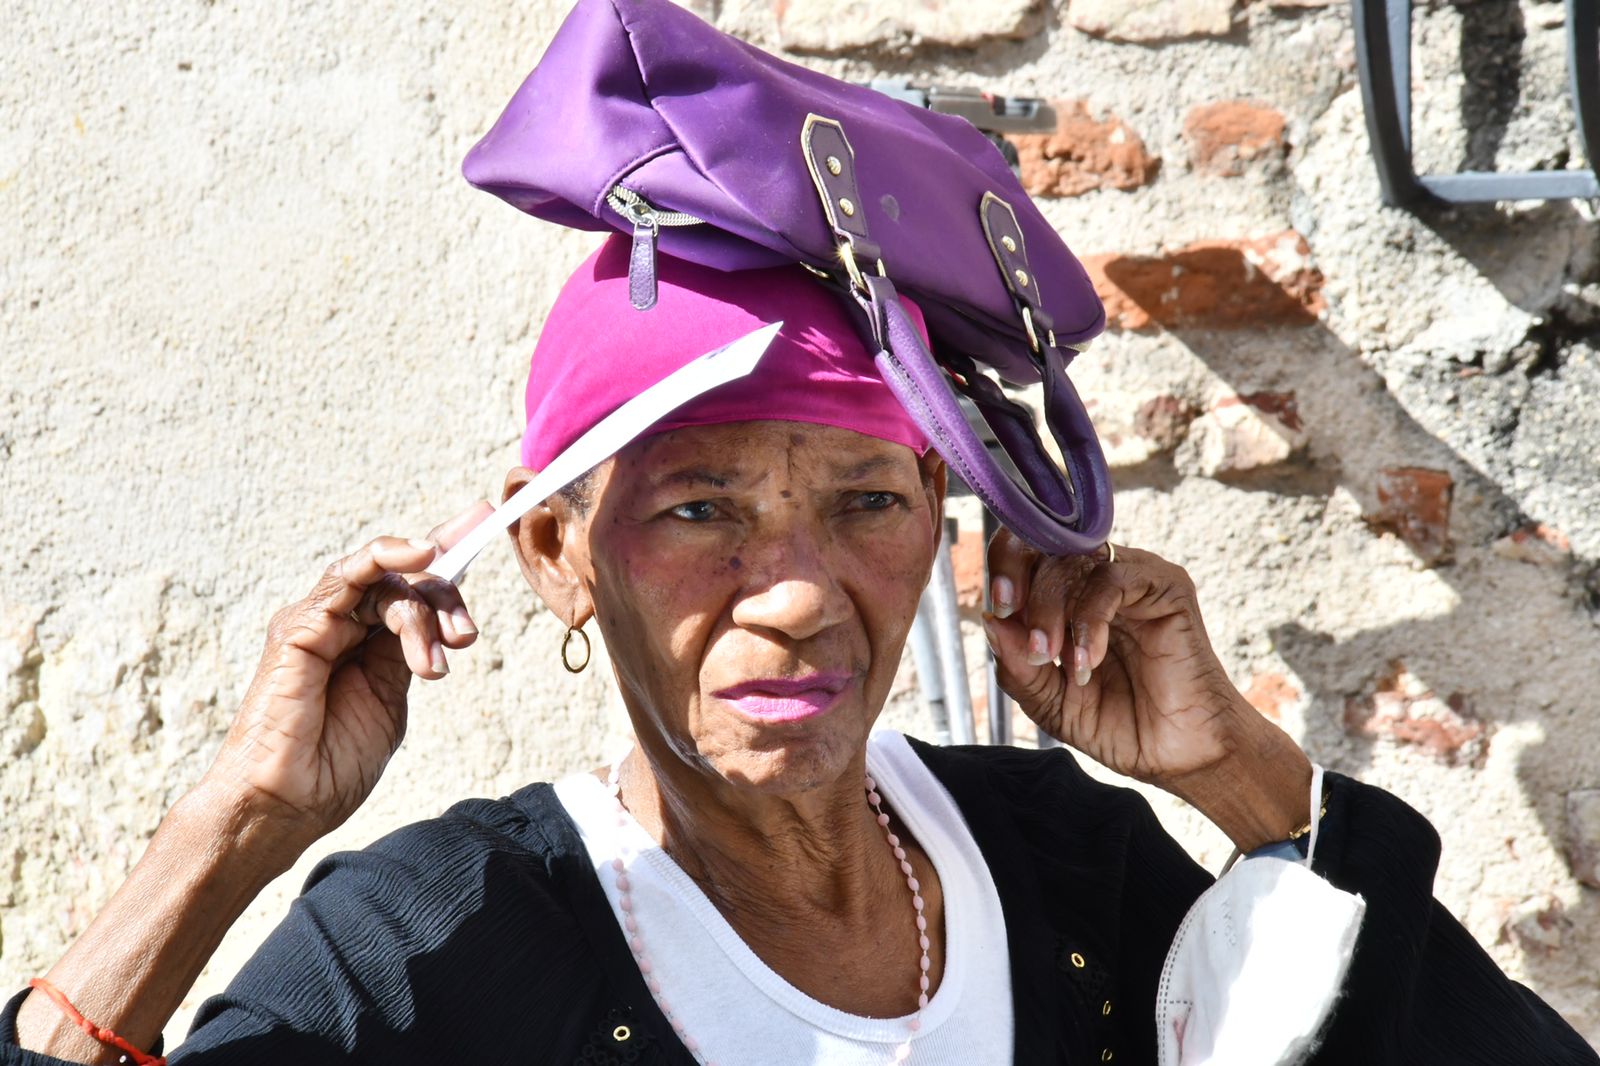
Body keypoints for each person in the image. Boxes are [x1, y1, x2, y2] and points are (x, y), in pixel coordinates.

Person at [5, 238, 1595, 1066]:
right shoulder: (441, 940)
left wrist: (1241, 780)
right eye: (700, 508)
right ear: (558, 548)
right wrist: (232, 829)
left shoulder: (1063, 864)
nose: (798, 592)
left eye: (865, 502)